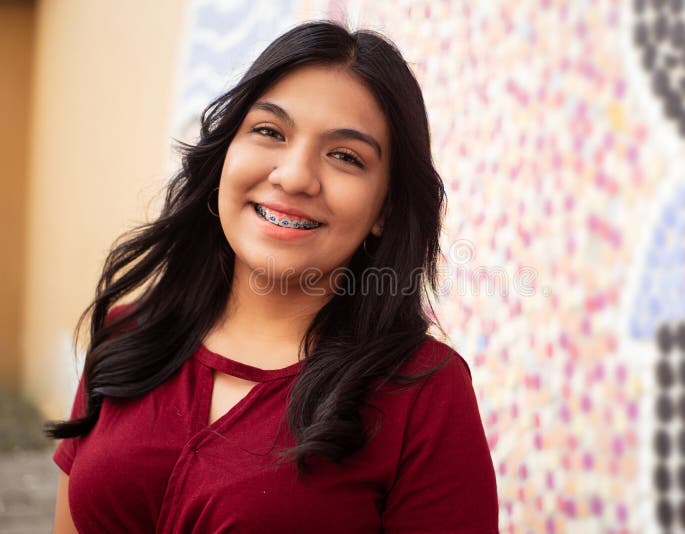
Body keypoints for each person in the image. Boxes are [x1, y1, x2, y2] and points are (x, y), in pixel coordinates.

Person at [46, 20, 499, 533]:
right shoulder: (127, 337)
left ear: (384, 209)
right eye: (269, 132)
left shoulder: (424, 395)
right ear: (224, 155)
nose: (294, 175)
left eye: (345, 157)